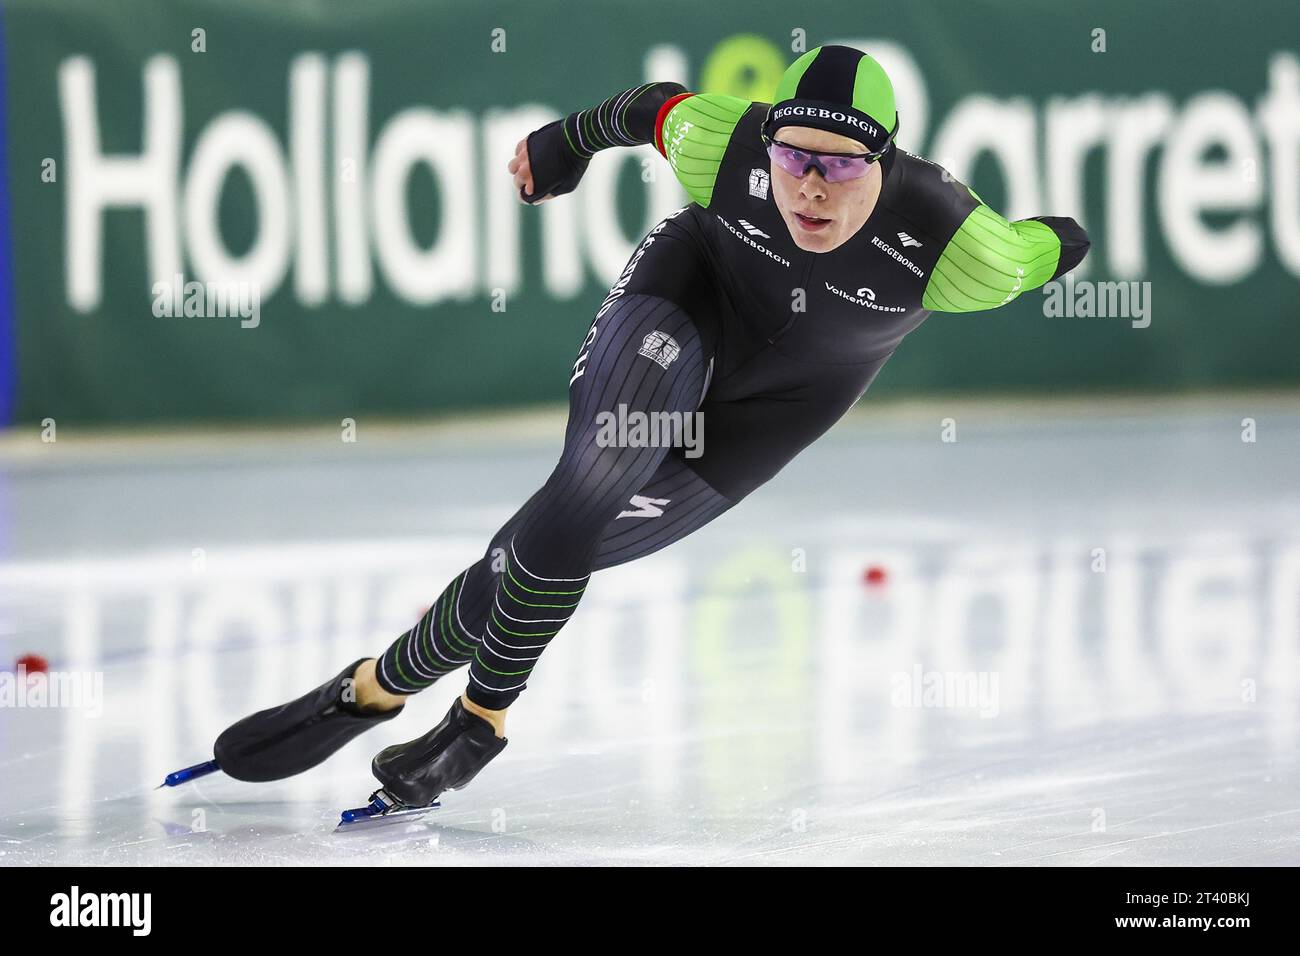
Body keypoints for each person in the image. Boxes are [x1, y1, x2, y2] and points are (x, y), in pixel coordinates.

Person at [211, 45, 1090, 809]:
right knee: (584, 495)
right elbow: (648, 107)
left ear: (886, 162)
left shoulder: (961, 251)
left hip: (777, 410)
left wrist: (1065, 234)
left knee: (534, 554)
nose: (812, 187)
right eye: (793, 156)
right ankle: (478, 724)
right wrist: (560, 147)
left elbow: (1047, 243)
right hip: (689, 300)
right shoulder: (726, 142)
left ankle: (373, 687)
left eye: (844, 166)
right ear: (768, 141)